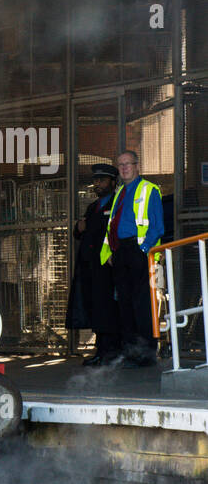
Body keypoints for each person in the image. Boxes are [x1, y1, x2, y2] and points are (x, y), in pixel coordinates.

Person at [99, 150, 164, 368]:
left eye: (128, 164)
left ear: (137, 166)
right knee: (124, 304)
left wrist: (143, 249)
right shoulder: (120, 193)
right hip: (121, 253)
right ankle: (130, 352)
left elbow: (157, 226)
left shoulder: (149, 189)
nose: (124, 168)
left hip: (138, 250)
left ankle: (146, 354)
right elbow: (113, 226)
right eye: (120, 165)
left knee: (142, 303)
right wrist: (111, 252)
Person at [65, 162, 120, 365]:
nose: (97, 184)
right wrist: (78, 228)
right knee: (95, 307)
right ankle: (101, 350)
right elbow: (80, 233)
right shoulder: (92, 207)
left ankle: (110, 351)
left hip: (107, 266)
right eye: (95, 181)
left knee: (108, 308)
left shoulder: (116, 204)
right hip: (89, 267)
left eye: (102, 180)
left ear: (113, 182)